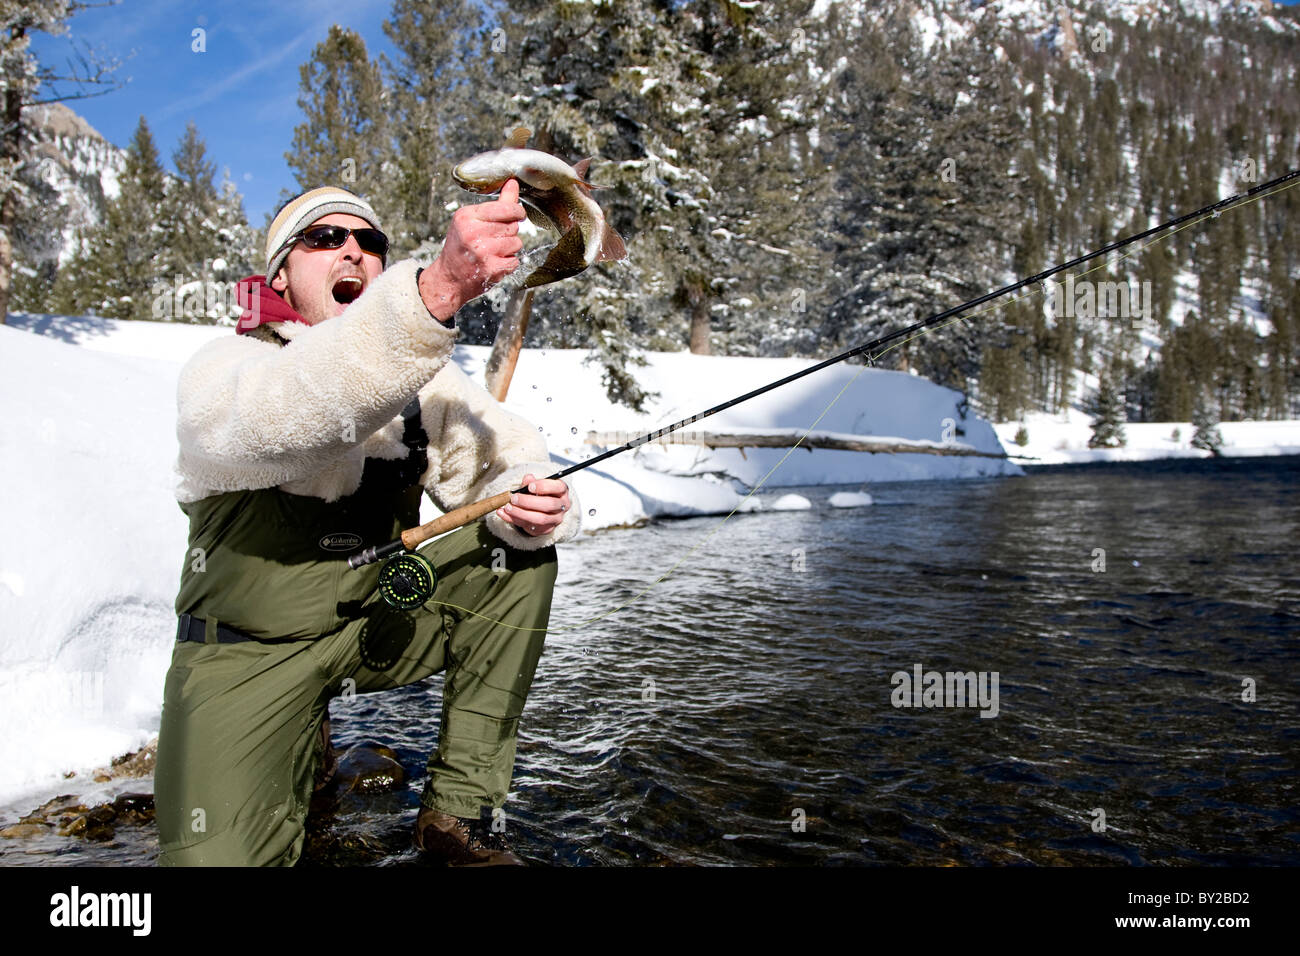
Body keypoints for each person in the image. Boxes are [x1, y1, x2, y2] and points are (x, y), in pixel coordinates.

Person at [154, 181, 580, 866]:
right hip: (244, 654)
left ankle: (457, 818)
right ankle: (295, 751)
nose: (352, 251)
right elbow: (285, 418)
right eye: (325, 239)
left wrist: (530, 499)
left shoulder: (420, 384)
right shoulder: (227, 367)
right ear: (281, 274)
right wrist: (437, 290)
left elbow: (510, 457)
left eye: (370, 243)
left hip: (368, 625)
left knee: (516, 554)